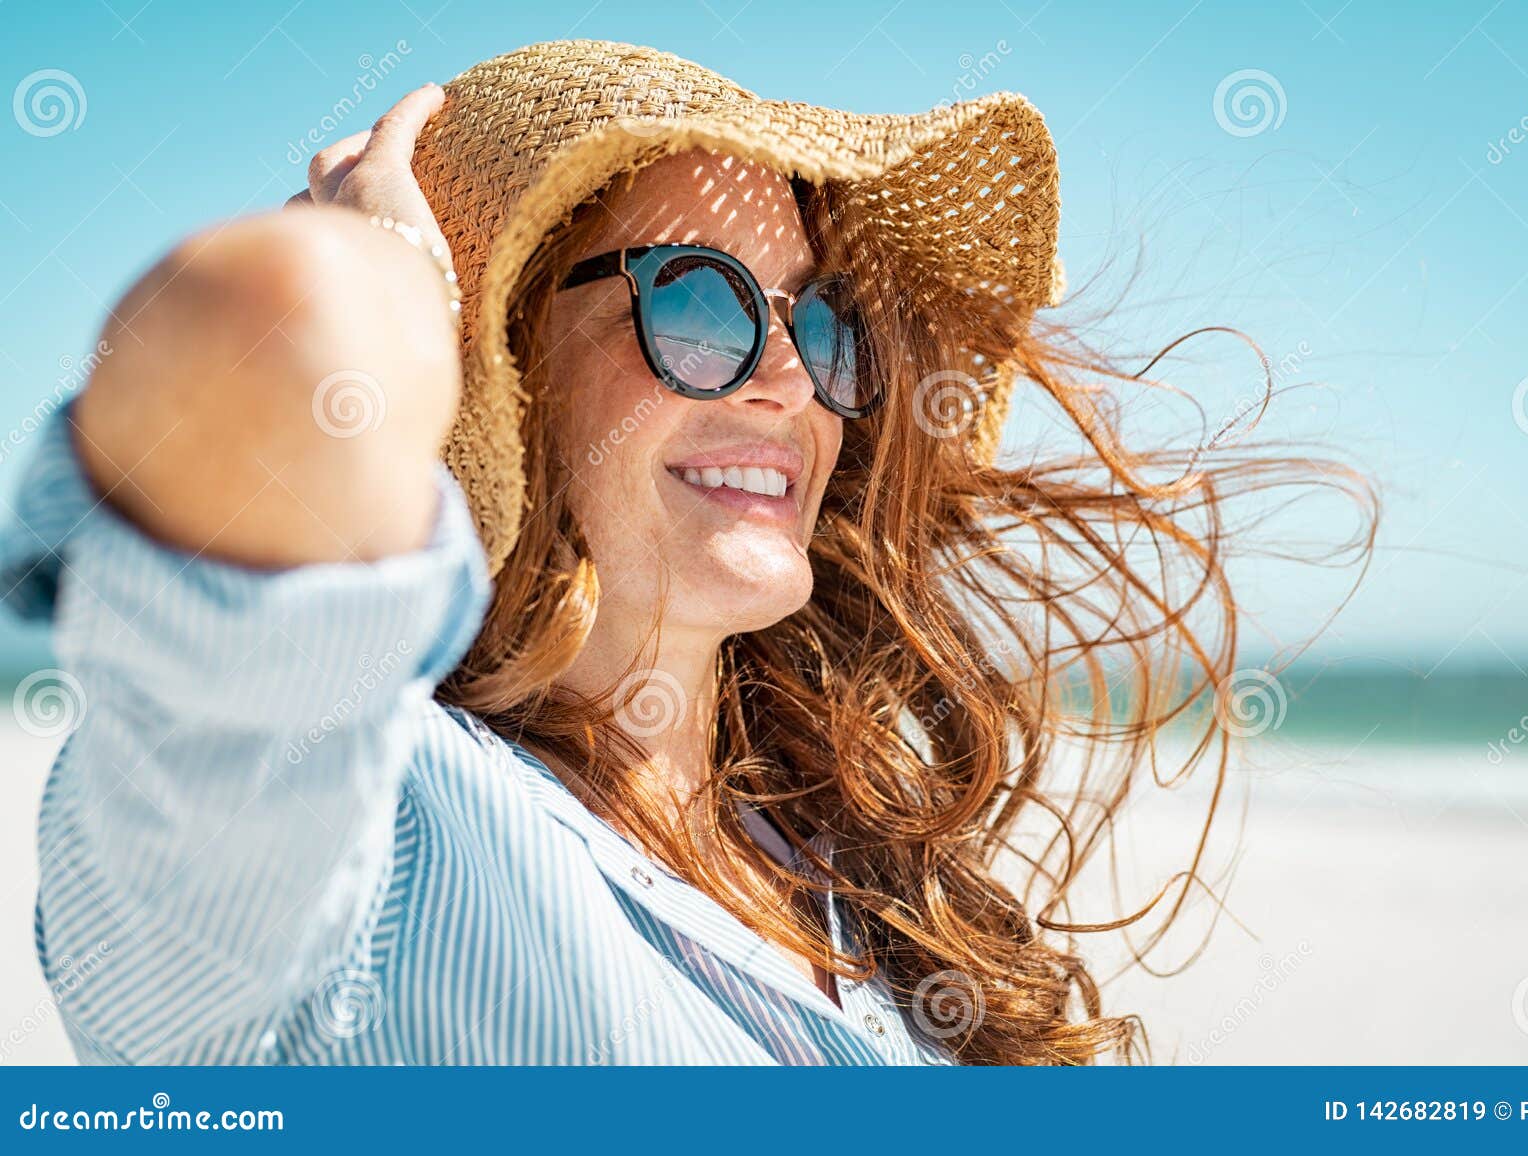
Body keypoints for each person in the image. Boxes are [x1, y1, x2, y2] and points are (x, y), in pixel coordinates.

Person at [0, 40, 1367, 1066]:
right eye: (698, 306)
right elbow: (268, 325)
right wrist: (383, 293)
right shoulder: (355, 828)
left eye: (820, 321)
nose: (787, 378)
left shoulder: (850, 873)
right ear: (503, 364)